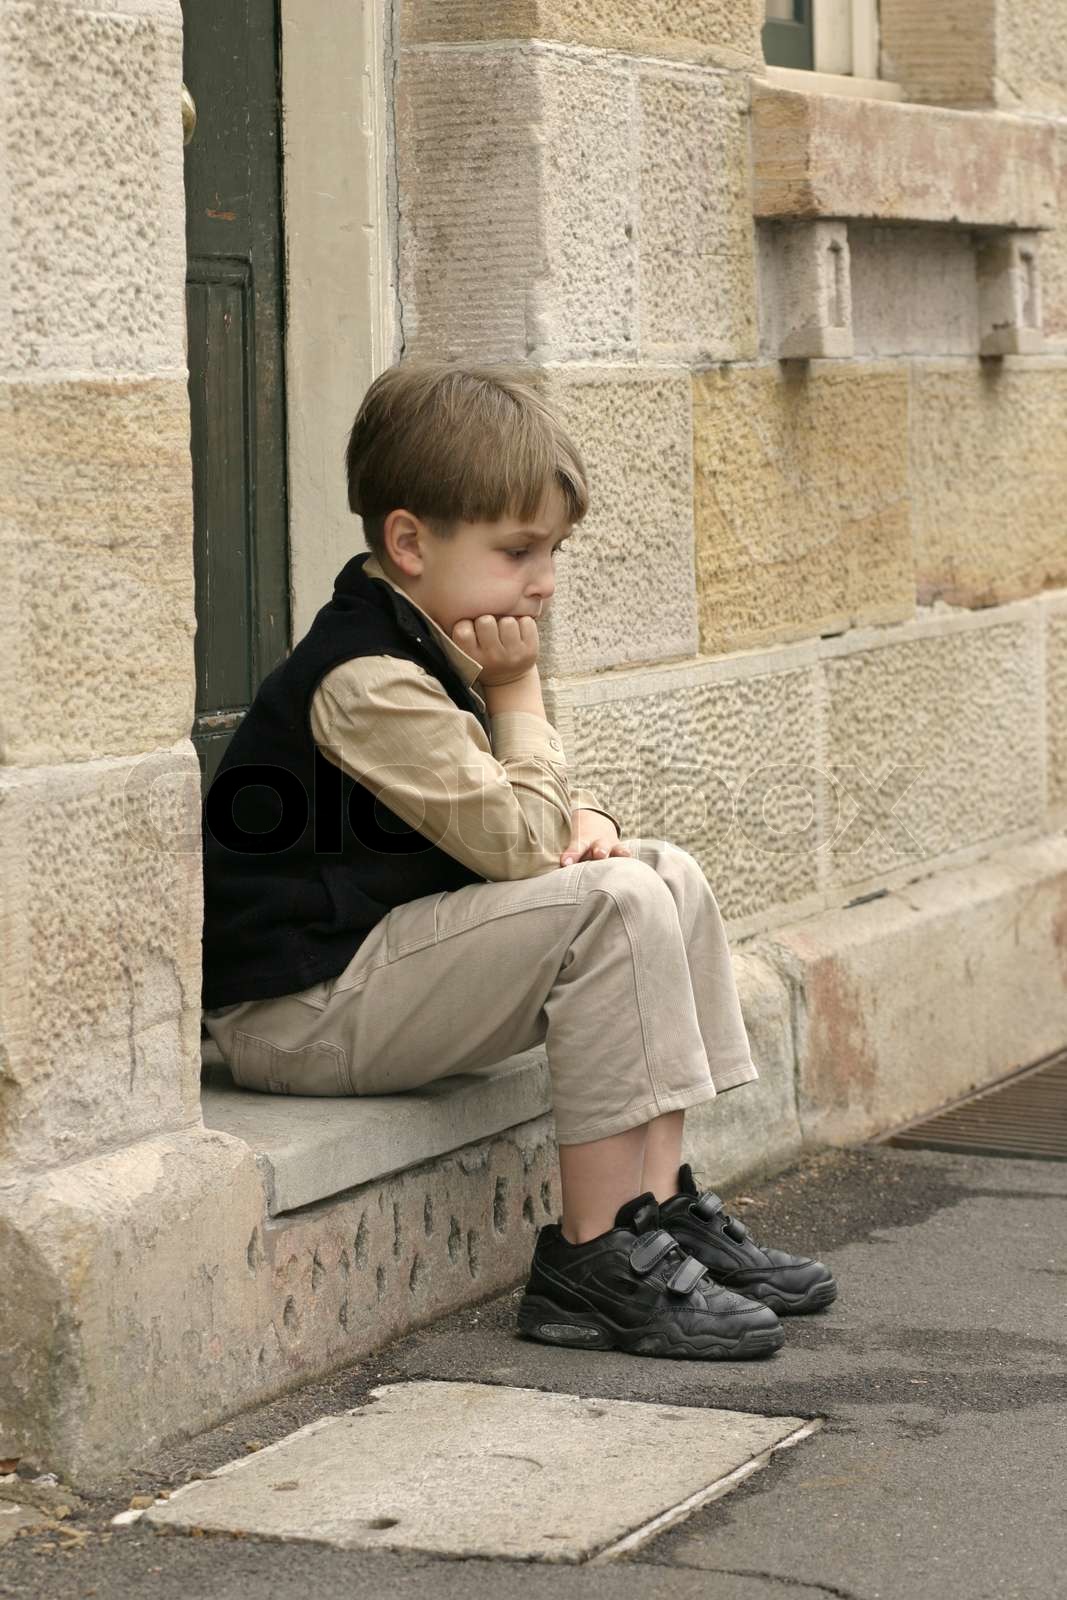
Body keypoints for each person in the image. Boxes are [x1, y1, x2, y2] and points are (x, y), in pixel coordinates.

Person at [201, 361, 836, 1362]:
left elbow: (509, 824)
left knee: (660, 871)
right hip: (298, 1011)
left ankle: (655, 1209)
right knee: (612, 901)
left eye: (552, 549)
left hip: (377, 972)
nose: (542, 578)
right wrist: (519, 689)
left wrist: (577, 815)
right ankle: (588, 1260)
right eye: (516, 549)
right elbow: (514, 845)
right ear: (407, 542)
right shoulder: (367, 677)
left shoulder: (424, 646)